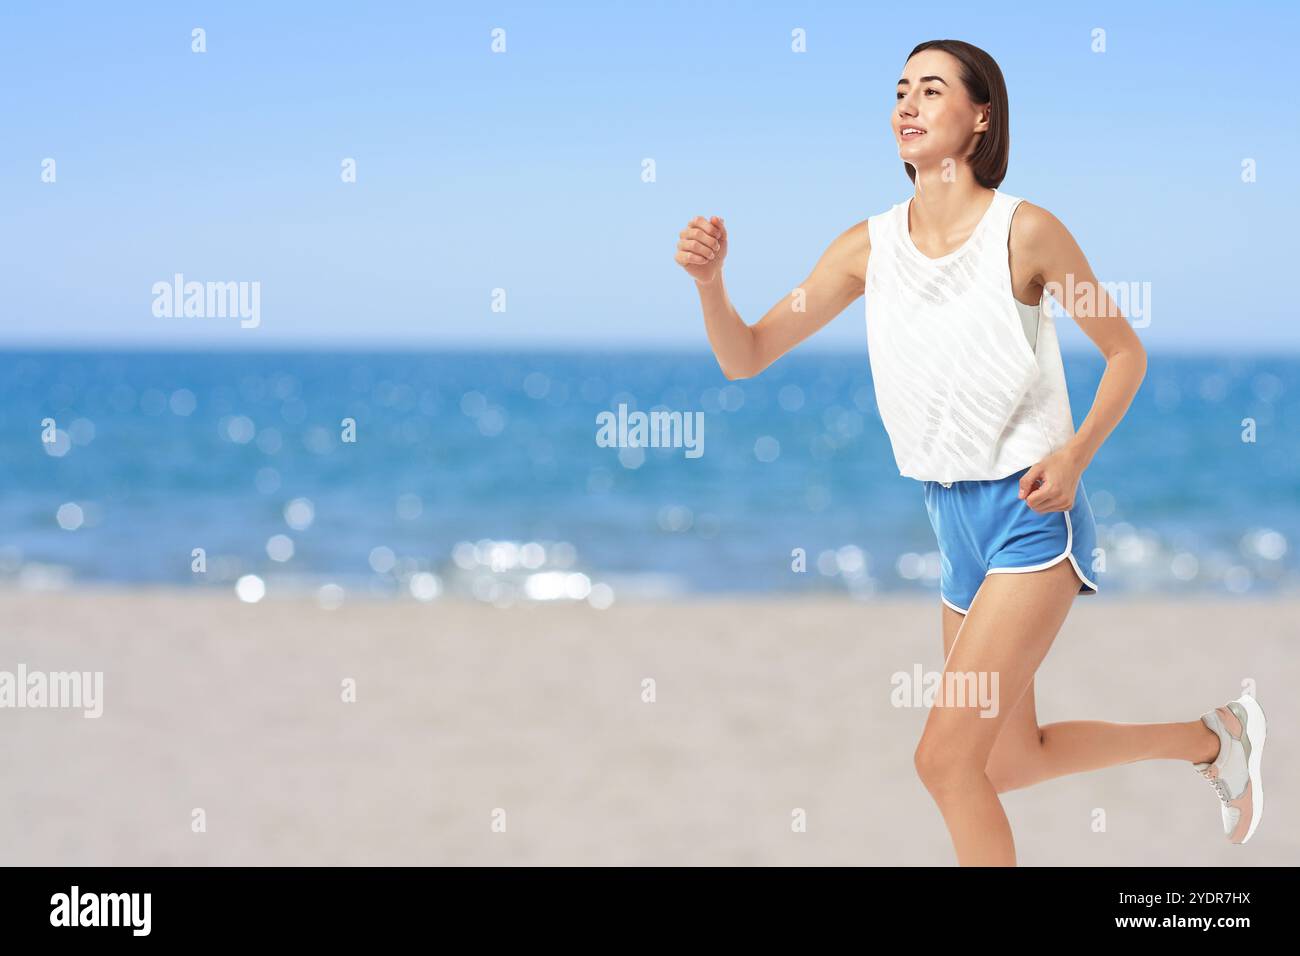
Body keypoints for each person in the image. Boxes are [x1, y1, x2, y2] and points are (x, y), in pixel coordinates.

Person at [674, 38, 1266, 865]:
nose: (908, 106)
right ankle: (1214, 740)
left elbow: (1126, 353)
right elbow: (744, 355)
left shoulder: (1027, 232)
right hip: (952, 527)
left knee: (942, 761)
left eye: (932, 89)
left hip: (1029, 519)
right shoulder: (866, 249)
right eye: (900, 91)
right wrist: (711, 286)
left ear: (980, 116)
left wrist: (1077, 454)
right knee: (1007, 761)